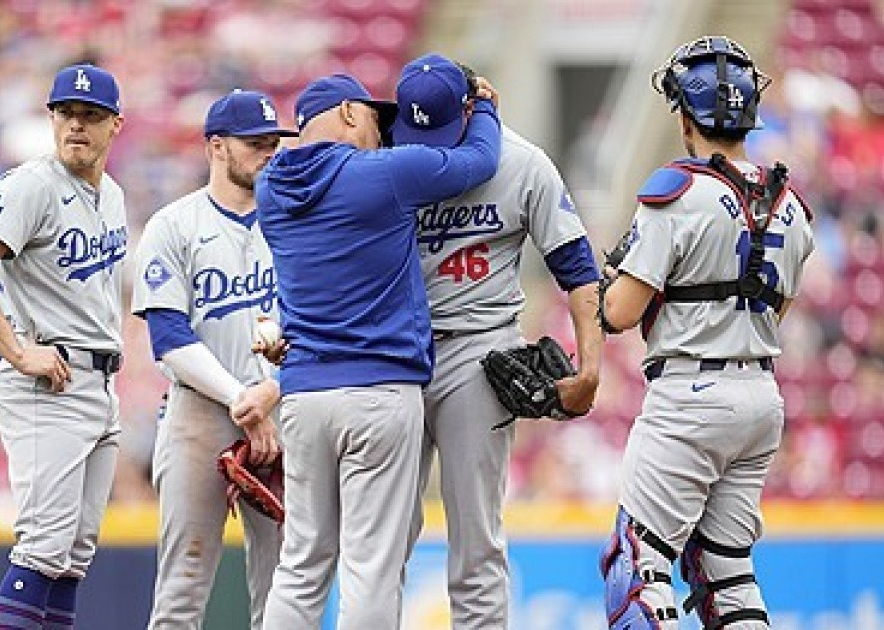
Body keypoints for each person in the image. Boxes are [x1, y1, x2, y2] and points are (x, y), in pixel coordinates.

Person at [255, 72, 502, 630]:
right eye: (373, 120)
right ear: (348, 112)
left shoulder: (270, 188)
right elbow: (480, 161)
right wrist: (485, 106)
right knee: (370, 568)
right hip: (378, 390)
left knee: (301, 564)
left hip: (304, 394)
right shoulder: (382, 173)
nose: (381, 135)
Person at [598, 36, 814, 629]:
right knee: (728, 574)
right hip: (760, 398)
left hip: (688, 398)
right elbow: (774, 313)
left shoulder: (677, 192)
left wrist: (604, 284)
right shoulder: (793, 207)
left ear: (685, 117)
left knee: (637, 565)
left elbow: (619, 313)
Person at [390, 54, 604, 629]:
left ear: (470, 107)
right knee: (384, 538)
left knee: (477, 539)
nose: (428, 146)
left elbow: (577, 268)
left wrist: (590, 368)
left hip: (477, 350)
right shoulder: (379, 153)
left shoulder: (521, 162)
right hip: (394, 353)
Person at [0, 63, 129, 630]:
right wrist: (16, 352)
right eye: (66, 113)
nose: (76, 124)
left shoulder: (112, 194)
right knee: (44, 547)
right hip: (49, 379)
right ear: (51, 118)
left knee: (73, 557)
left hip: (99, 381)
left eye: (90, 115)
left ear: (115, 125)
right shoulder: (31, 185)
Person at [132, 88, 295, 630]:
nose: (268, 153)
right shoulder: (174, 225)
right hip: (202, 411)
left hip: (284, 402)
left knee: (286, 585)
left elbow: (321, 319)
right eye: (255, 143)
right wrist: (242, 399)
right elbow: (168, 337)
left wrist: (270, 392)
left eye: (273, 143)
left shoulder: (296, 222)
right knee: (182, 585)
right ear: (217, 146)